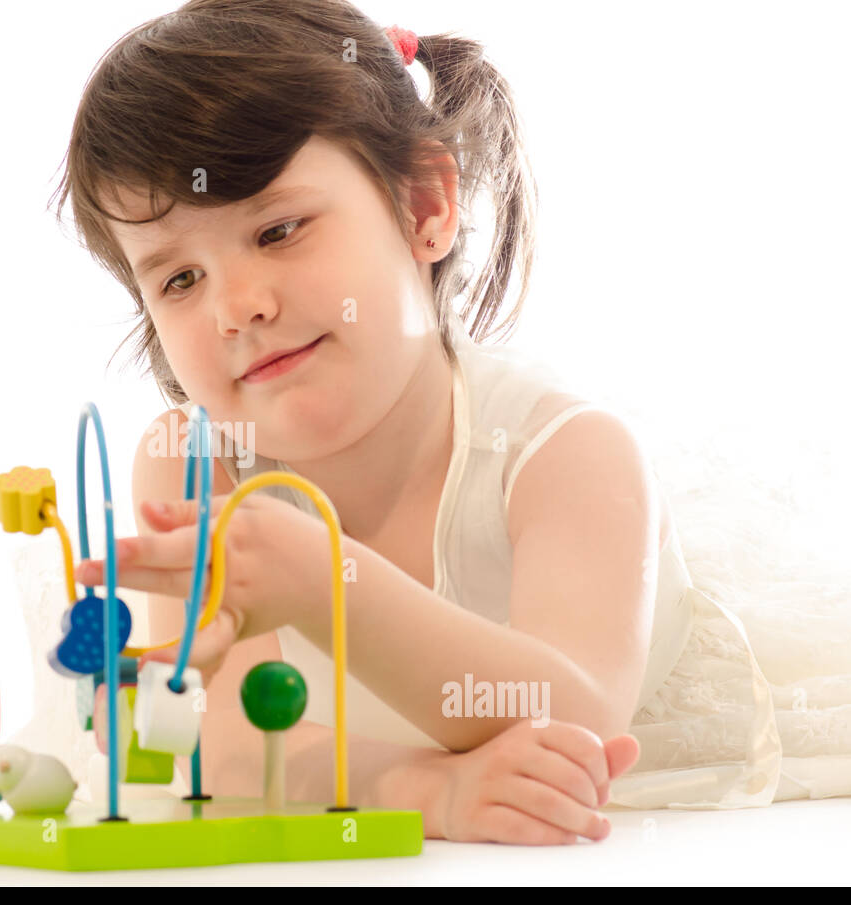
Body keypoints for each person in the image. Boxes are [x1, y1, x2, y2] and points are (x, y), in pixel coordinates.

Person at [51, 0, 851, 843]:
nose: (237, 309)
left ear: (426, 205)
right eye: (179, 279)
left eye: (280, 228)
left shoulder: (566, 456)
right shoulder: (193, 464)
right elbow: (226, 747)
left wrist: (328, 580)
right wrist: (421, 785)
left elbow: (576, 714)